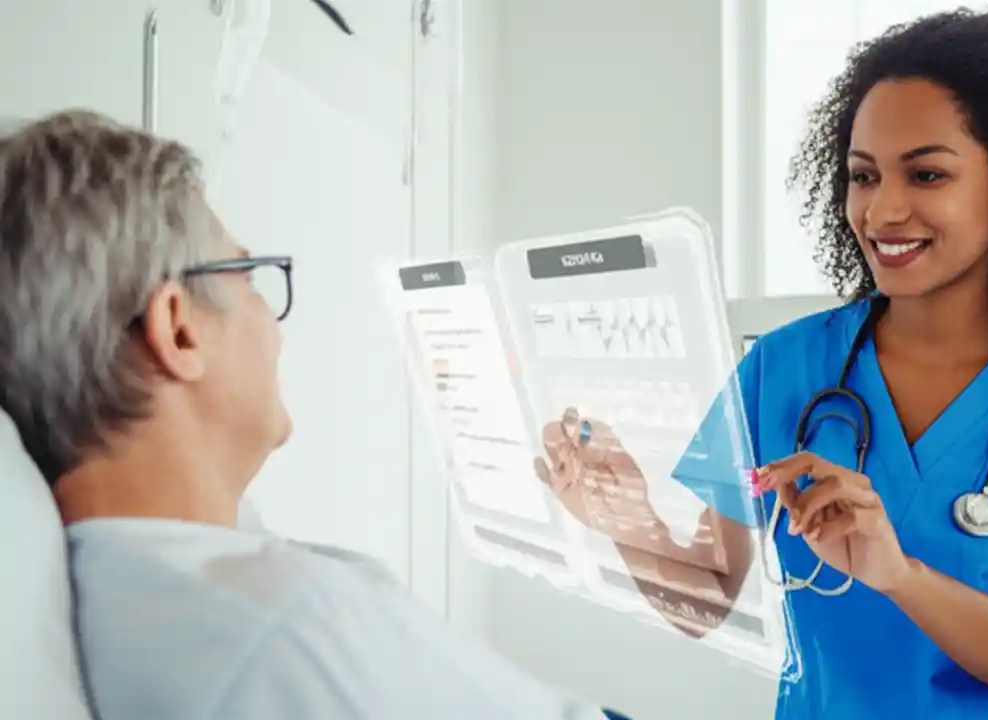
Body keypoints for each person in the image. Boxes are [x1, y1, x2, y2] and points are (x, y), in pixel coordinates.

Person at [537, 9, 988, 718]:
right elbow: (705, 603)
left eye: (927, 174)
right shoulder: (784, 368)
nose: (882, 210)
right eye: (863, 176)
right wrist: (628, 523)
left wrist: (897, 573)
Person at [0, 111, 611, 719]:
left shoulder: (132, 603)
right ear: (179, 331)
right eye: (248, 274)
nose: (276, 330)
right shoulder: (288, 635)